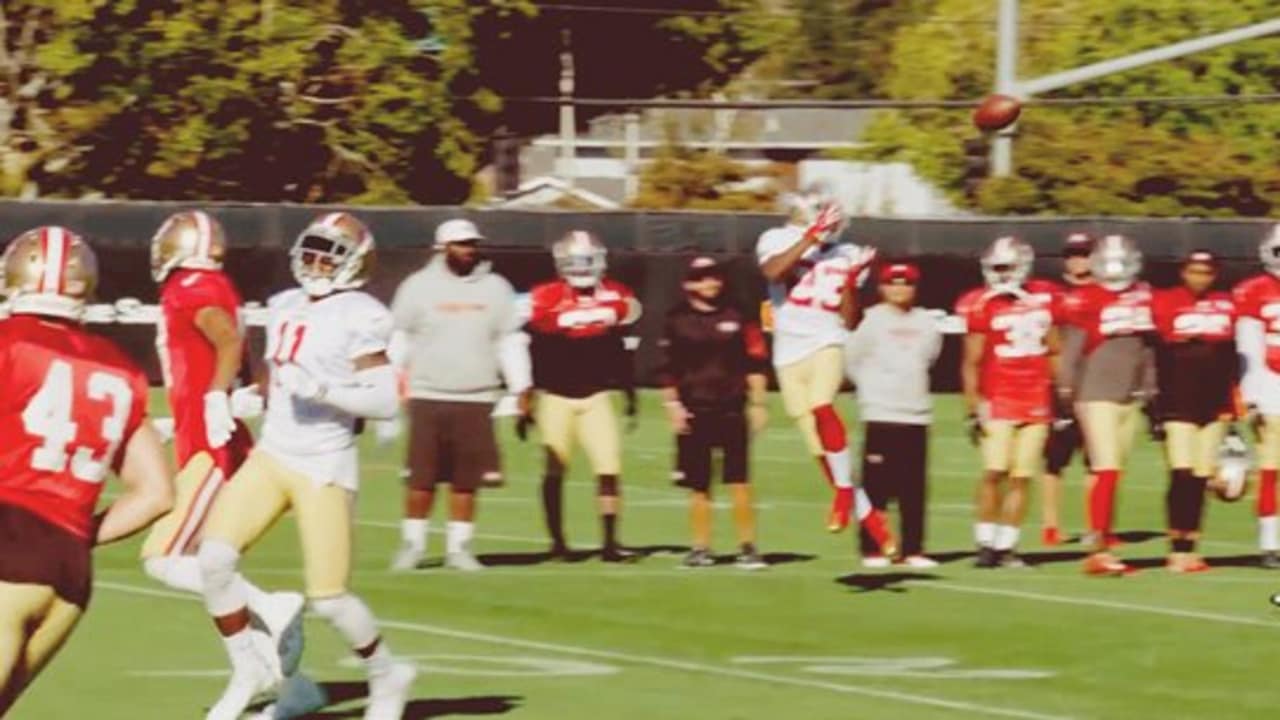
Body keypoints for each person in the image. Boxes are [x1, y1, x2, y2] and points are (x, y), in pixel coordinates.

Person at [195, 212, 416, 720]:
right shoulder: (286, 304)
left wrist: (323, 390)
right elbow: (283, 374)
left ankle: (387, 672)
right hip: (273, 453)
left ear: (354, 263)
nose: (316, 263)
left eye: (329, 255)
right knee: (213, 560)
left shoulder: (361, 313)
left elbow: (384, 399)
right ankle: (250, 669)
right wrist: (255, 394)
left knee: (330, 598)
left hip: (323, 464)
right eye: (312, 252)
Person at [0, 227, 173, 714]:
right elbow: (156, 494)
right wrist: (73, 533)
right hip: (69, 572)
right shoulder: (119, 368)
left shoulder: (7, 343)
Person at [140, 210, 307, 654]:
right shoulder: (216, 285)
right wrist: (184, 419)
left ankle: (272, 608)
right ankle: (286, 677)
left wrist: (214, 399)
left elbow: (228, 343)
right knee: (211, 565)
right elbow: (223, 356)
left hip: (210, 449)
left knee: (165, 558)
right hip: (209, 437)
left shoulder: (190, 287)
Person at [387, 218, 531, 572]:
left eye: (472, 243)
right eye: (461, 244)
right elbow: (399, 338)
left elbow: (509, 340)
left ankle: (459, 548)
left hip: (477, 397)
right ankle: (413, 546)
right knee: (421, 479)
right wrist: (389, 387)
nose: (469, 250)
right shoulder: (417, 287)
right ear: (442, 247)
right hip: (427, 394)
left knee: (466, 482)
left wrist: (521, 386)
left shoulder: (496, 288)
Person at [755, 185, 892, 552]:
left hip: (826, 341)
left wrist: (851, 281)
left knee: (822, 405)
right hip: (788, 351)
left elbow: (850, 321)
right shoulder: (777, 237)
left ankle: (845, 496)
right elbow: (774, 271)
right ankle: (867, 515)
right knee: (819, 448)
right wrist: (811, 237)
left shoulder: (846, 252)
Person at [525, 230, 640, 562]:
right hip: (556, 396)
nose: (582, 267)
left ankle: (610, 542)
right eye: (575, 261)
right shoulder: (546, 294)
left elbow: (630, 311)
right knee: (554, 470)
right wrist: (580, 317)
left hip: (596, 394)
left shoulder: (616, 293)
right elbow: (541, 323)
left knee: (609, 467)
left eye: (587, 261)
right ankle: (557, 541)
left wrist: (587, 316)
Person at [956, 237, 1063, 568]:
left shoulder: (1043, 302)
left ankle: (1007, 547)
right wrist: (973, 404)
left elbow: (1055, 350)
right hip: (999, 399)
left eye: (1006, 268)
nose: (1000, 275)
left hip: (1035, 400)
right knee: (994, 472)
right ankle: (985, 542)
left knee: (1021, 477)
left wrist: (1060, 397)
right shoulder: (982, 304)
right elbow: (971, 359)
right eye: (996, 268)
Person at [657, 257, 769, 570]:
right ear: (689, 283)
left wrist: (759, 403)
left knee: (739, 480)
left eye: (715, 277)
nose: (711, 283)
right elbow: (667, 369)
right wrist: (673, 406)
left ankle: (748, 546)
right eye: (703, 278)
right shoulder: (676, 319)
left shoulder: (738, 314)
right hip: (695, 409)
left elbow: (756, 361)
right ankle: (700, 547)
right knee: (699, 484)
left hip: (732, 407)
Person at [1058, 234, 1156, 576]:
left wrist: (1148, 388)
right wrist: (1065, 393)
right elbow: (1070, 352)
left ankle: (1104, 537)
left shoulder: (1142, 297)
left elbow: (1145, 349)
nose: (1116, 271)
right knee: (1107, 469)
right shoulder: (1084, 298)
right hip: (1095, 393)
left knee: (1114, 473)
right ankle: (1098, 550)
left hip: (1129, 396)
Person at [845, 262, 942, 568]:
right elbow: (853, 360)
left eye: (907, 284)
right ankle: (873, 547)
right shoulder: (871, 321)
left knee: (914, 487)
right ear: (883, 288)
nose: (900, 289)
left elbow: (929, 357)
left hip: (916, 413)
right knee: (876, 486)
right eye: (893, 283)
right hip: (880, 413)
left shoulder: (926, 322)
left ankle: (913, 548)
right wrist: (872, 391)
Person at [1151, 250, 1236, 573]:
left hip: (1215, 401)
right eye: (1194, 271)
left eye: (1207, 272)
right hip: (1177, 399)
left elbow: (1231, 356)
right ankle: (1177, 546)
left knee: (1201, 476)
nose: (1200, 277)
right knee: (1181, 473)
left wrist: (1233, 405)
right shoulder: (1166, 300)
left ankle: (1193, 545)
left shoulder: (1227, 303)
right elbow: (1160, 349)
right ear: (1183, 272)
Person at [1040, 232, 1095, 546]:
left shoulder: (1105, 294)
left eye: (1084, 254)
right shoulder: (1054, 296)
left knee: (1095, 458)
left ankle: (1093, 525)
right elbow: (1050, 343)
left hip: (1097, 384)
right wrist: (1060, 384)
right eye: (1073, 254)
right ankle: (1051, 525)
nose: (1078, 260)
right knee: (1055, 459)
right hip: (1061, 385)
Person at [1232, 224, 1280, 568]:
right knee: (1270, 470)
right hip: (1272, 388)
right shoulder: (1253, 291)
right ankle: (1269, 543)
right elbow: (1249, 349)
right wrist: (1250, 395)